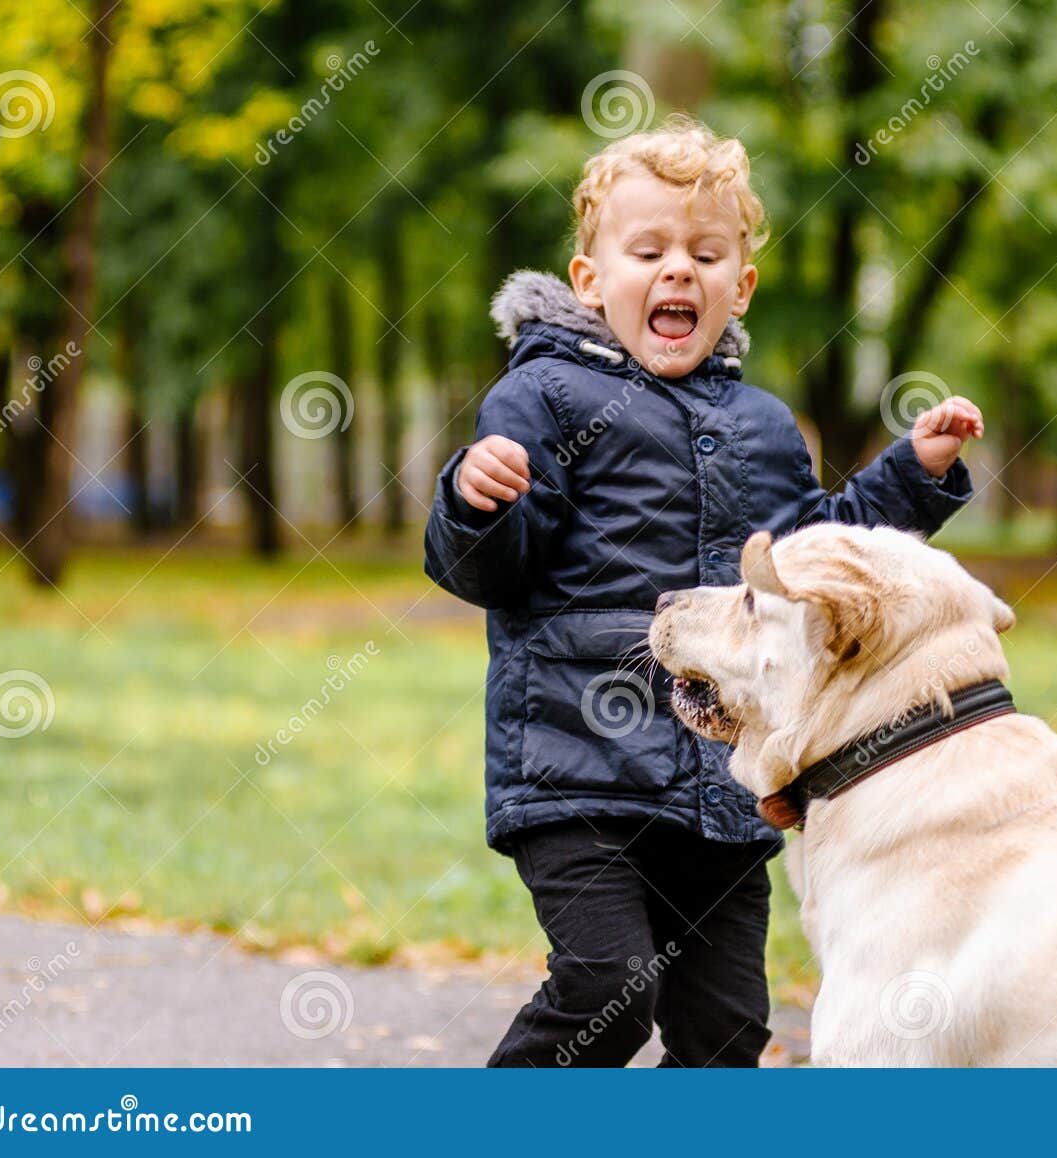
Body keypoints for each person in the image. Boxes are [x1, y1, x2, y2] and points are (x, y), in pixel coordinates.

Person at [422, 115, 986, 1067]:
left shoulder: (764, 424)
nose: (678, 270)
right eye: (648, 252)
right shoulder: (544, 397)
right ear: (590, 280)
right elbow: (493, 574)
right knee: (607, 990)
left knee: (727, 1030)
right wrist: (474, 502)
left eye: (706, 254)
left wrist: (912, 475)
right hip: (579, 769)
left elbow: (812, 559)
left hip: (723, 784)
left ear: (741, 286)